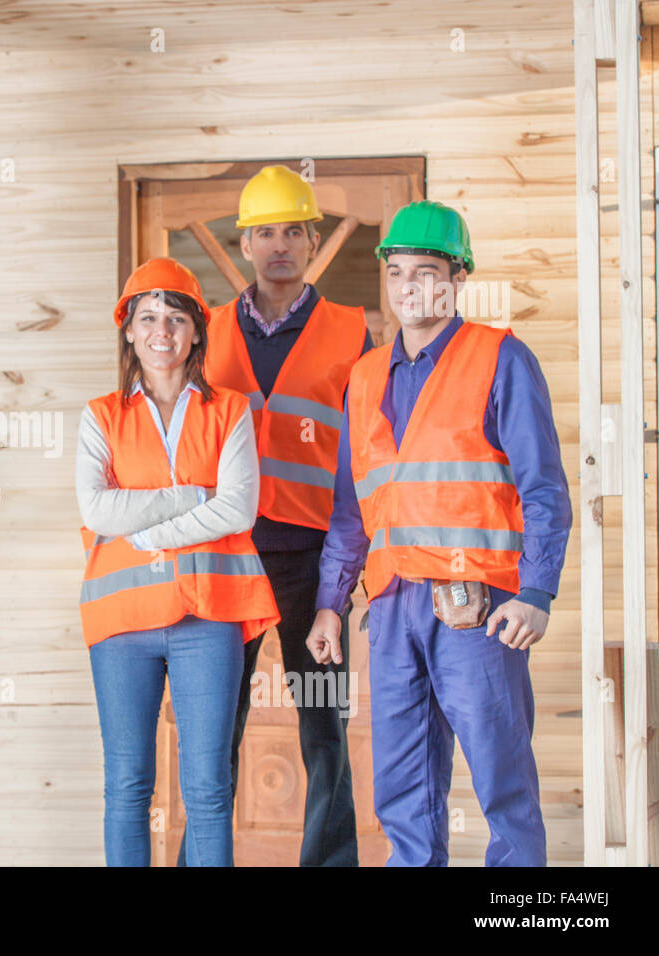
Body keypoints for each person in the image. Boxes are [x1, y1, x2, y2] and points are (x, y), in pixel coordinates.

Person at [306, 200, 572, 866]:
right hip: (393, 609)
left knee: (501, 781)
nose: (409, 288)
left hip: (477, 613)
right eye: (397, 272)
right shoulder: (365, 379)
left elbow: (543, 489)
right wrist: (330, 605)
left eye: (426, 272)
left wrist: (536, 591)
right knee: (402, 790)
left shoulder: (501, 358)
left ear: (457, 281)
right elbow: (349, 510)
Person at [76, 256, 280, 866]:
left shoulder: (230, 411)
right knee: (128, 787)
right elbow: (96, 510)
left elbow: (239, 510)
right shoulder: (101, 416)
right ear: (129, 331)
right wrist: (188, 499)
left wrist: (143, 526)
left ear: (196, 330)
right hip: (122, 623)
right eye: (147, 318)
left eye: (175, 317)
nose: (161, 330)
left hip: (208, 619)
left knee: (210, 789)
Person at [197, 164, 371, 867]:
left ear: (312, 241)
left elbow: (362, 468)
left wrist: (343, 579)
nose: (278, 245)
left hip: (315, 567)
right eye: (263, 232)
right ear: (245, 245)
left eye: (291, 232)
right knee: (216, 731)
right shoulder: (202, 333)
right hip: (227, 561)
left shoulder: (351, 334)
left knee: (325, 724)